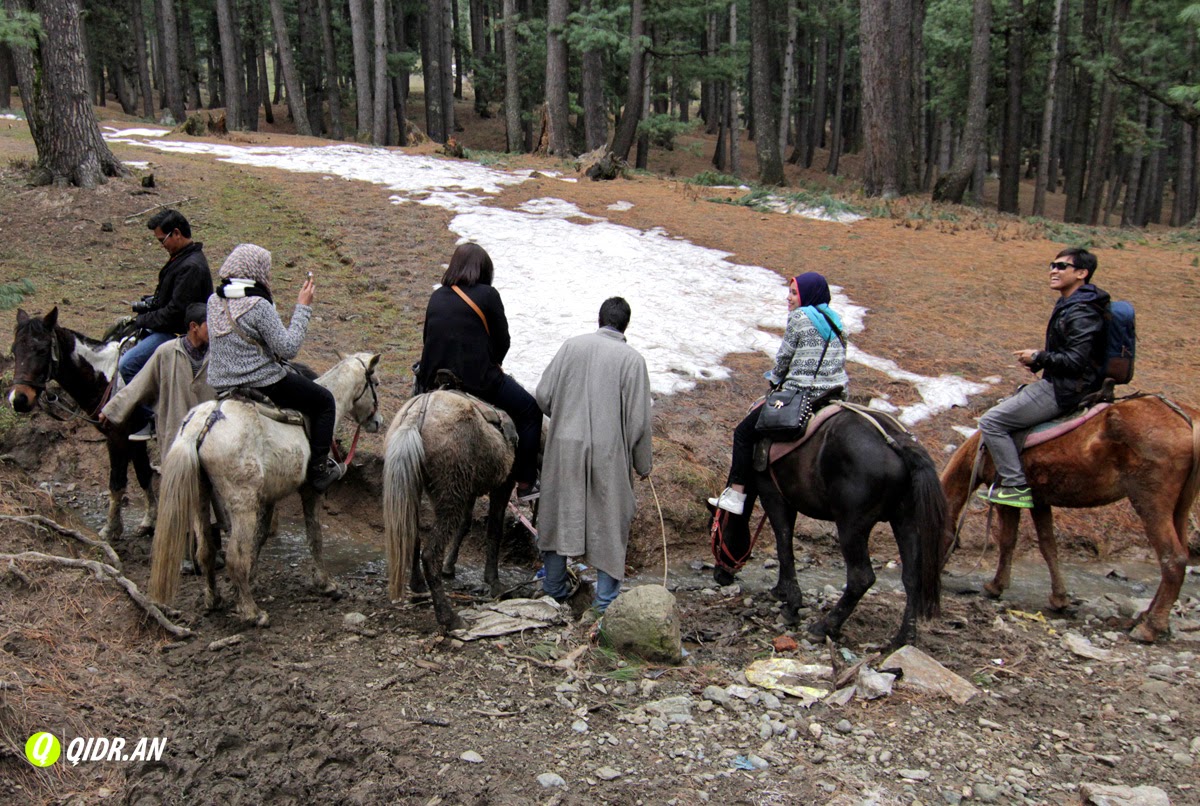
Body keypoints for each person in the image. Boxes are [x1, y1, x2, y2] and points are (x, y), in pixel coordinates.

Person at [535, 297, 653, 615]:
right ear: (625, 325)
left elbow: (543, 396)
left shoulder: (571, 347)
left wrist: (564, 418)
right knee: (610, 522)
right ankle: (604, 605)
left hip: (564, 446)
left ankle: (554, 591)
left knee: (559, 514)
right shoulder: (633, 360)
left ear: (599, 319)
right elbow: (639, 421)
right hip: (610, 452)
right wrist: (643, 464)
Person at [976, 248, 1110, 508]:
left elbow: (1075, 361)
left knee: (992, 421)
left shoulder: (1082, 310)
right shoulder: (1072, 304)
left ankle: (1014, 486)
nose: (1053, 270)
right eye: (1052, 265)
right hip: (1067, 382)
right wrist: (1040, 362)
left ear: (1081, 273)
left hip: (1067, 389)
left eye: (1062, 266)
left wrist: (1039, 357)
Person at [206, 243, 342, 493]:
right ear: (255, 271)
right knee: (324, 401)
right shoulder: (257, 304)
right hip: (262, 380)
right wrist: (303, 307)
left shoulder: (214, 300)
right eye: (265, 271)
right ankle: (319, 470)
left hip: (222, 383)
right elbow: (288, 349)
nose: (267, 277)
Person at [710, 272, 848, 515]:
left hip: (802, 394)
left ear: (807, 295)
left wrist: (775, 380)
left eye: (795, 293)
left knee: (743, 433)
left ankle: (737, 494)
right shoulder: (837, 322)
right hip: (833, 395)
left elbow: (784, 357)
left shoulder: (800, 317)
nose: (789, 298)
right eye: (790, 292)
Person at [415, 242, 543, 501]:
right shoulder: (488, 295)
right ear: (483, 269)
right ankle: (526, 481)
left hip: (433, 379)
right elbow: (503, 341)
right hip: (478, 380)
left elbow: (428, 337)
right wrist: (493, 361)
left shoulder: (437, 296)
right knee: (530, 411)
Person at [118, 210, 214, 438]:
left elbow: (174, 314)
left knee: (128, 365)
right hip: (168, 326)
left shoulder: (191, 267)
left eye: (163, 240)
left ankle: (150, 419)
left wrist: (142, 320)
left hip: (179, 334)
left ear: (177, 233)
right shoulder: (182, 259)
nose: (162, 245)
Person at [100, 303, 215, 455]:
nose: (215, 329)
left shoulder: (217, 354)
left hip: (208, 437)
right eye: (210, 324)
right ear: (194, 327)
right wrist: (112, 410)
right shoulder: (166, 352)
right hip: (175, 435)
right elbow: (139, 385)